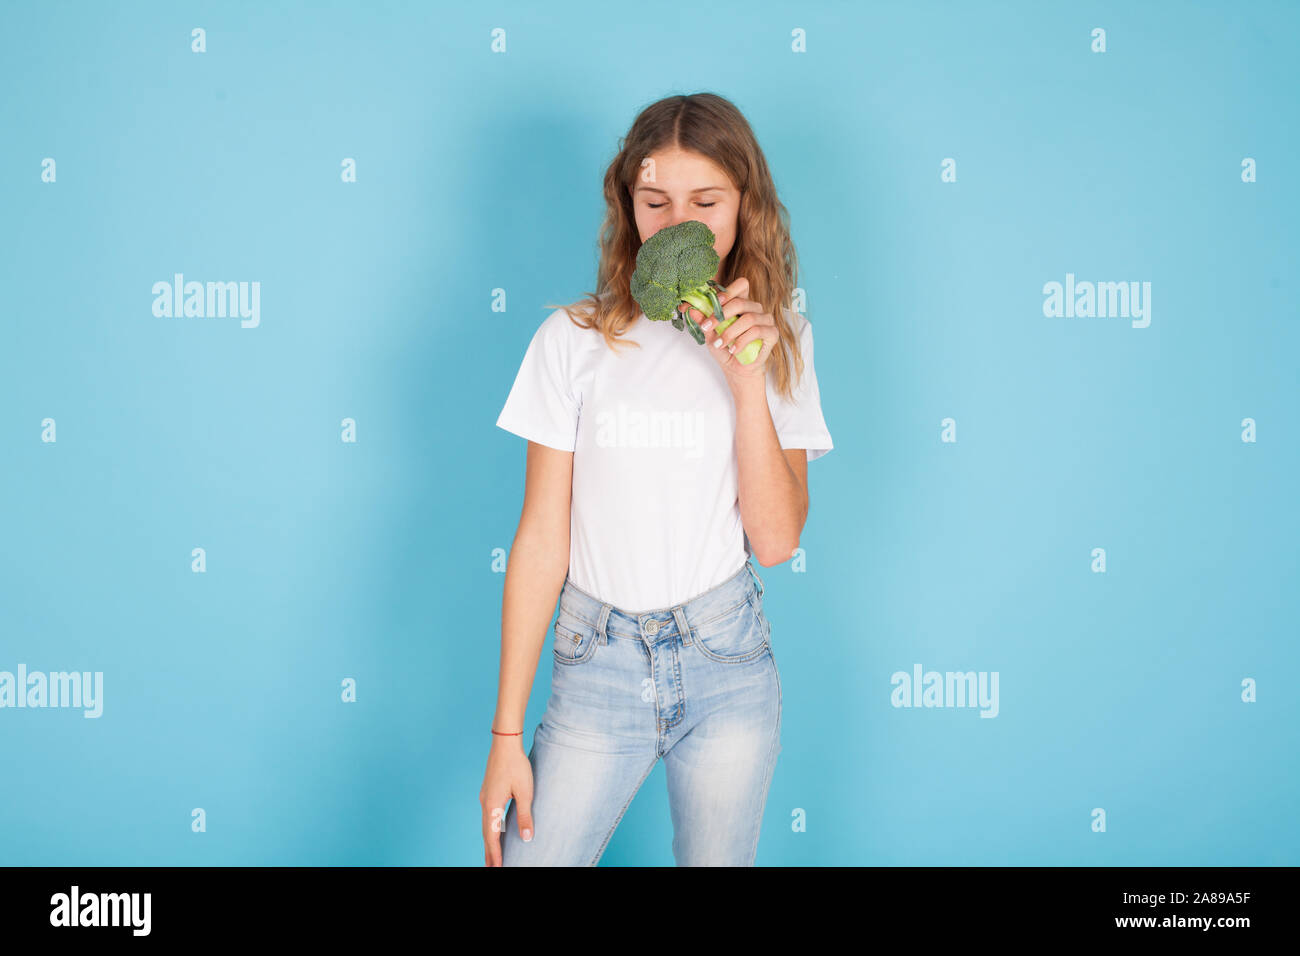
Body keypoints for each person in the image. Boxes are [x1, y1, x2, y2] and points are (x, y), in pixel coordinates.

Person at [480, 92, 833, 866]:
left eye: (706, 202)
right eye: (654, 202)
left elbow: (775, 541)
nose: (678, 225)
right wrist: (508, 735)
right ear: (627, 207)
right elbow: (542, 537)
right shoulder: (572, 341)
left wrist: (745, 382)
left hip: (726, 662)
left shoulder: (784, 343)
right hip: (595, 663)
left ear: (747, 207)